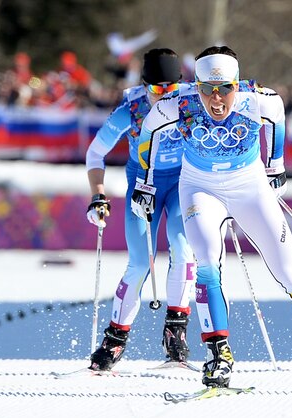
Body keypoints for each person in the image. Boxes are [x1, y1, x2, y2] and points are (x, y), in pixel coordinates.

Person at [132, 45, 292, 389]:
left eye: (225, 89)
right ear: (197, 85)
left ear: (237, 84)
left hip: (249, 186)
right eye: (207, 89)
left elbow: (277, 119)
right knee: (206, 263)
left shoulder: (259, 100)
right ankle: (218, 356)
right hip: (200, 188)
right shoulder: (178, 104)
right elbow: (148, 133)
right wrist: (144, 184)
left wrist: (276, 164)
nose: (216, 99)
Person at [85, 48, 195, 371]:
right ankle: (115, 339)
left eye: (172, 88)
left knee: (182, 249)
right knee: (139, 263)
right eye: (158, 89)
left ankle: (176, 332)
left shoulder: (190, 102)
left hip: (180, 184)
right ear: (145, 85)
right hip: (143, 186)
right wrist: (98, 194)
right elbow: (95, 154)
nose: (166, 96)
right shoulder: (131, 111)